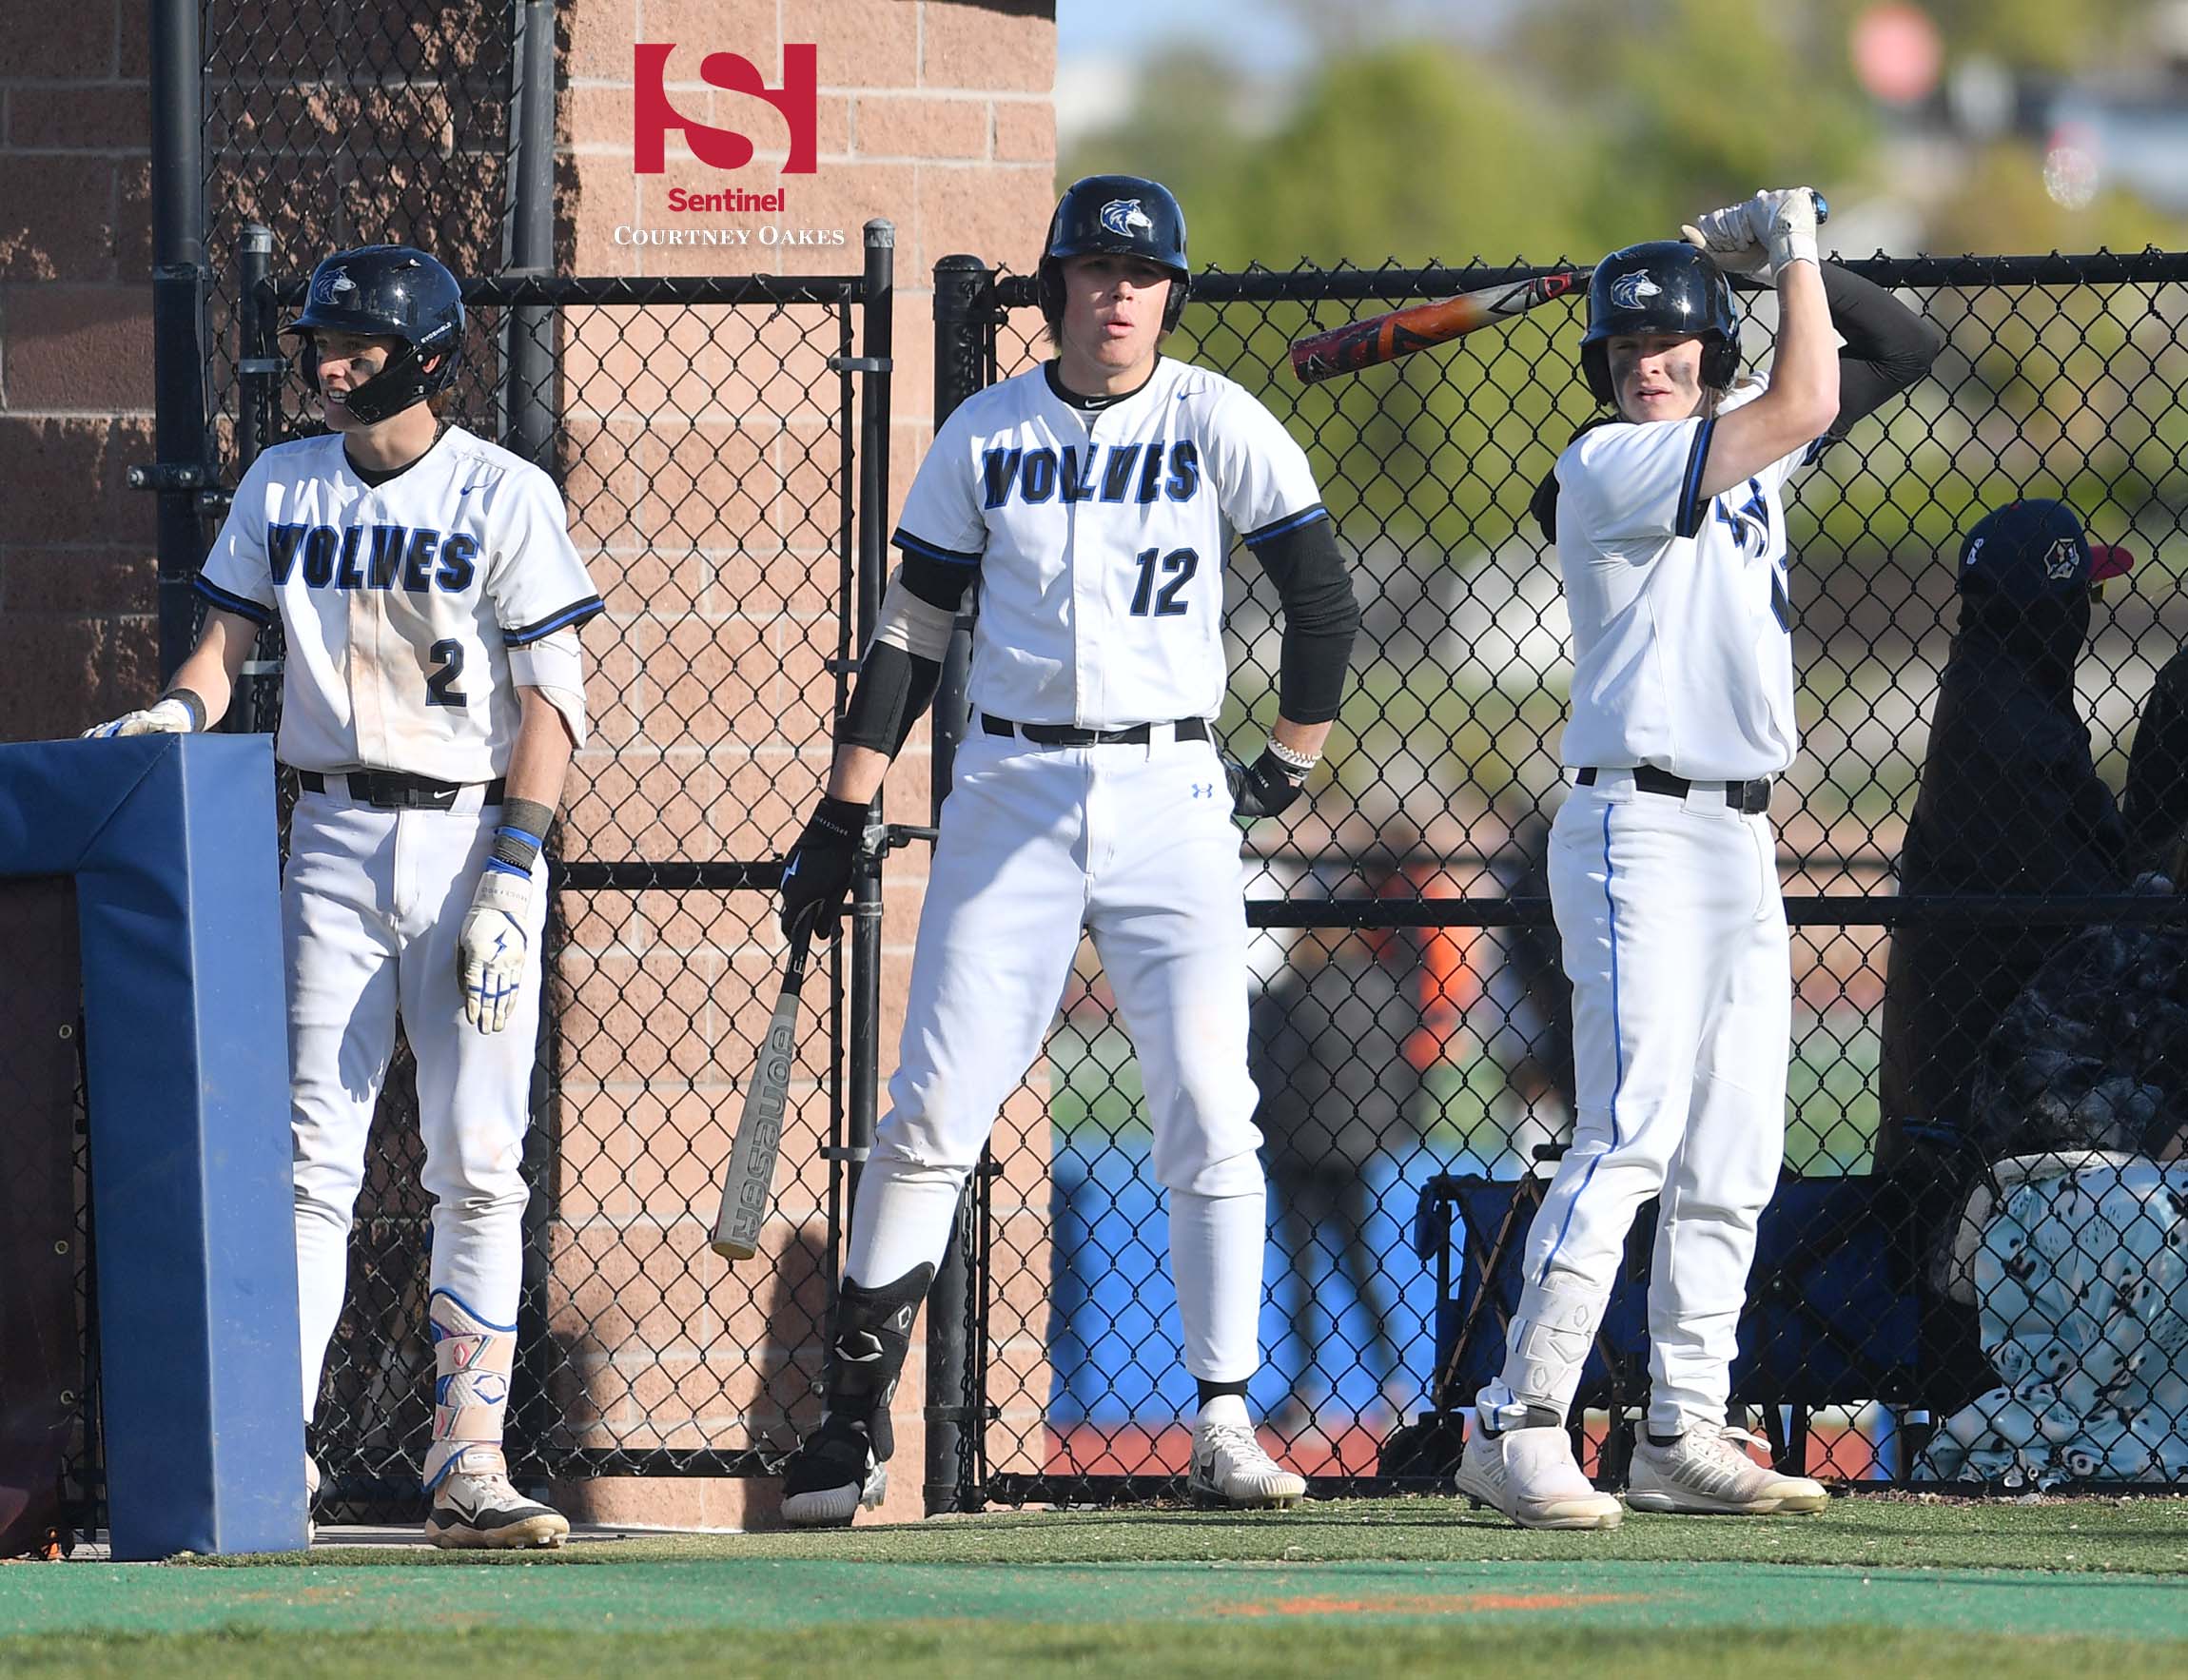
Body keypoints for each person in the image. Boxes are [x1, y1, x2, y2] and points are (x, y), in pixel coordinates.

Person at [769, 174, 1360, 1525]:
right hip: (1013, 782)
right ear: (1052, 287)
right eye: (1091, 270)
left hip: (1170, 785)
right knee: (930, 1109)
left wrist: (1290, 759)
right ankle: (847, 1434)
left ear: (1172, 293)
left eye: (1139, 274)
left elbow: (1320, 598)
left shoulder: (1216, 417)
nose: (1115, 293)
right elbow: (913, 630)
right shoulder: (986, 429)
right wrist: (843, 806)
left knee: (1212, 1106)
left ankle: (1221, 1419)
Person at [84, 244, 600, 1549]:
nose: (325, 363)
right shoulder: (283, 478)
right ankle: (272, 1449)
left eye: (355, 345)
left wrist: (515, 866)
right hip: (329, 833)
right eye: (319, 340)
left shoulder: (503, 491)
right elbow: (222, 648)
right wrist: (172, 710)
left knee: (480, 1161)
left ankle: (468, 1462)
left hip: (475, 835)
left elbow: (551, 705)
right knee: (308, 1160)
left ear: (424, 356)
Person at [1457, 189, 1945, 1529]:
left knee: (1735, 1149)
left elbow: (1902, 351)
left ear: (1715, 358)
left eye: (1671, 348)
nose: (1646, 365)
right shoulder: (1606, 462)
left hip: (1737, 832)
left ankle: (1680, 1428)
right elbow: (1799, 405)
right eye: (1627, 349)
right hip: (1636, 824)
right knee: (1629, 1134)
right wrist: (1780, 246)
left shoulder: (1748, 458)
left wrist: (1786, 267)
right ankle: (1519, 1420)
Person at [1877, 500, 2134, 1174]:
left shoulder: (1986, 686)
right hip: (1981, 1127)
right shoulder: (2018, 732)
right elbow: (2097, 914)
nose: (2090, 610)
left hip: (1946, 1101)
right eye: (2089, 594)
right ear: (2056, 608)